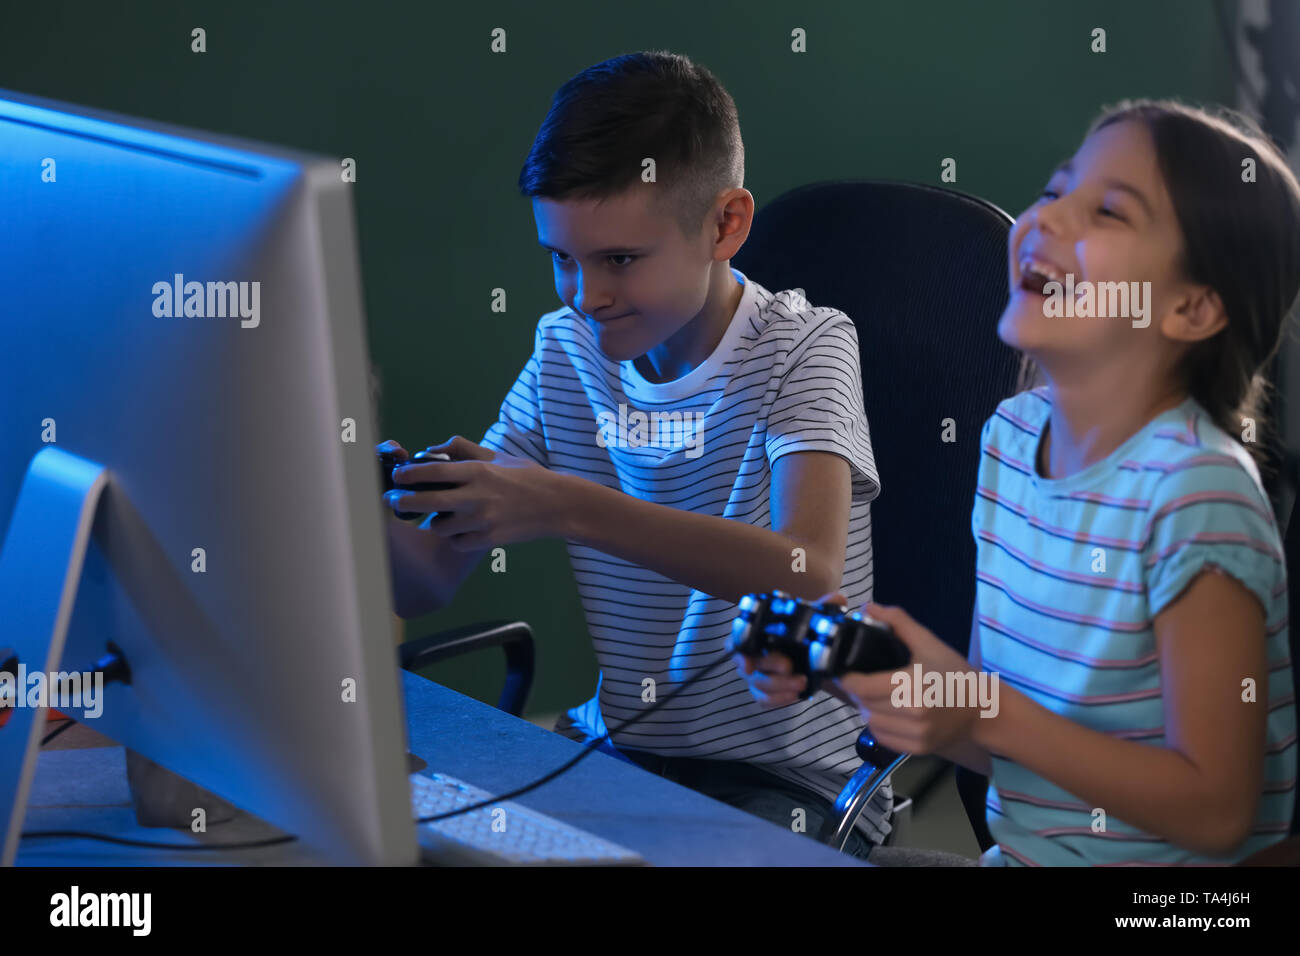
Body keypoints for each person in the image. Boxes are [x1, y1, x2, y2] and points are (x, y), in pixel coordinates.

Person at [737, 99, 1300, 866]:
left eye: (1106, 210)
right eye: (1053, 190)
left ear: (1194, 308)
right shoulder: (1012, 436)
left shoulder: (1199, 494)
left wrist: (985, 709)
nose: (1045, 219)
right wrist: (869, 673)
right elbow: (1006, 744)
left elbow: (1216, 812)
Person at [381, 51, 892, 858]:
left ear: (725, 225)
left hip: (791, 782)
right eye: (560, 259)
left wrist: (560, 504)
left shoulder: (806, 346)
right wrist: (368, 481)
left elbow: (807, 570)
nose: (586, 296)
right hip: (616, 752)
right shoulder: (566, 350)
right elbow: (427, 580)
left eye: (619, 260)